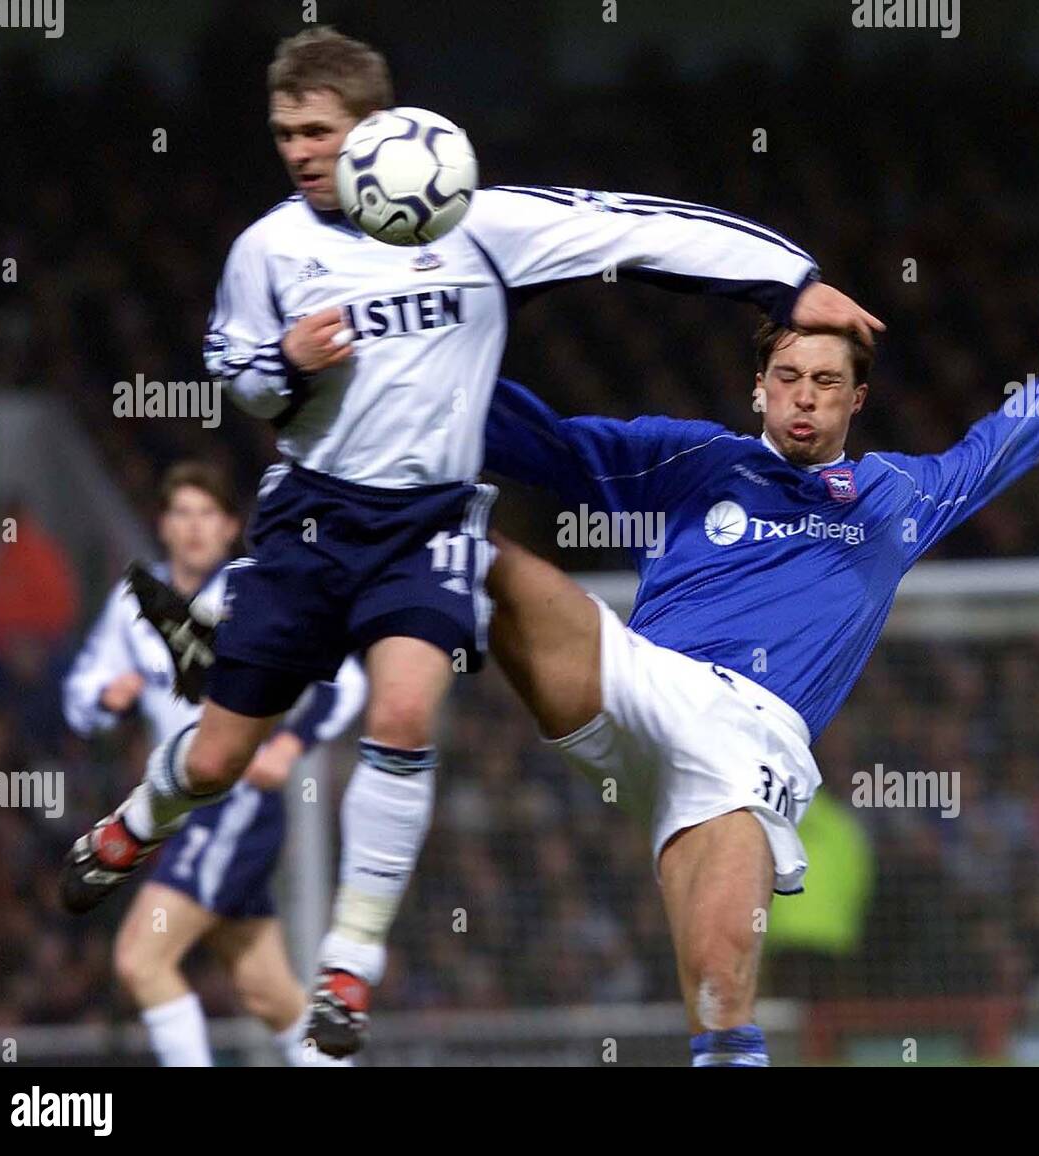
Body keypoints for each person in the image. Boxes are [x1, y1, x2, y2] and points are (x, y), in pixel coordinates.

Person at [58, 24, 883, 1060]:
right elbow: (241, 378)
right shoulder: (267, 250)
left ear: (380, 134)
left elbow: (634, 231)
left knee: (403, 714)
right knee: (220, 753)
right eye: (286, 133)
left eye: (320, 130)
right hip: (312, 512)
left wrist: (786, 281)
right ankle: (138, 818)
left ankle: (350, 973)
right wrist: (287, 358)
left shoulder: (476, 222)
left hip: (433, 519)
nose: (302, 151)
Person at [476, 283, 1039, 1065]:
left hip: (749, 742)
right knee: (469, 548)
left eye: (826, 383)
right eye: (788, 378)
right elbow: (552, 444)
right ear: (759, 387)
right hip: (641, 683)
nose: (803, 399)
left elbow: (990, 452)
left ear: (858, 398)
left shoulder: (893, 498)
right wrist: (433, 369)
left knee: (721, 1005)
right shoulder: (693, 460)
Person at [63, 461, 365, 1066]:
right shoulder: (136, 603)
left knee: (140, 958)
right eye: (182, 514)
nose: (195, 528)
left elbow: (345, 680)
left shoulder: (255, 591)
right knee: (270, 993)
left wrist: (288, 745)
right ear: (164, 526)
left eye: (208, 514)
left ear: (231, 527)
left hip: (234, 804)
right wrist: (105, 697)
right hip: (175, 803)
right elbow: (80, 695)